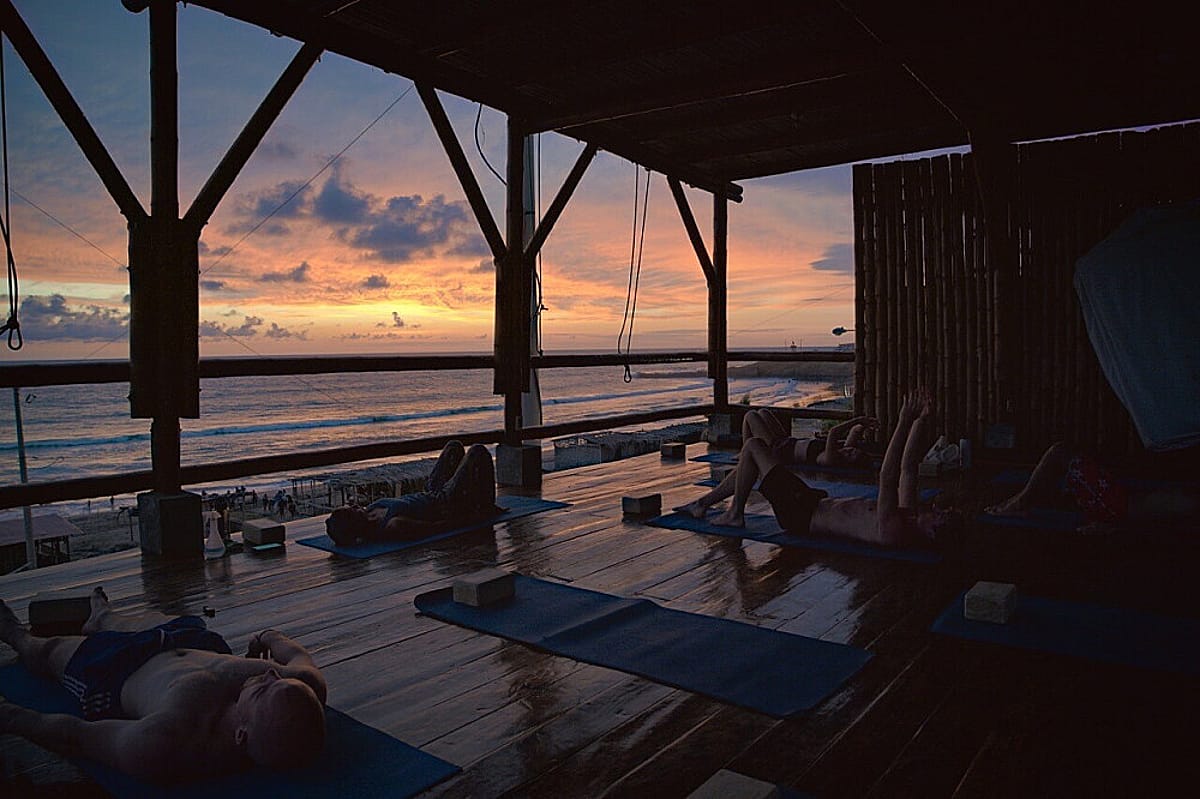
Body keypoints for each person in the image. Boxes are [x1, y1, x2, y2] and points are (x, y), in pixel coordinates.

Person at [0, 588, 327, 783]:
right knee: (150, 619)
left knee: (46, 651)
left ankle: (13, 633)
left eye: (262, 689)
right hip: (195, 642)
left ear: (241, 733)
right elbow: (299, 658)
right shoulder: (298, 689)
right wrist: (269, 637)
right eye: (278, 678)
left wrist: (10, 715)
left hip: (117, 668)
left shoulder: (165, 741)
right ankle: (103, 619)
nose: (271, 675)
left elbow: (77, 736)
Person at [678, 390, 957, 548]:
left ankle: (734, 514)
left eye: (940, 516)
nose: (936, 509)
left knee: (752, 446)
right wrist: (920, 421)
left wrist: (903, 420)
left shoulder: (895, 530)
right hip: (809, 500)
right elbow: (908, 470)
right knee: (751, 459)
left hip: (799, 513)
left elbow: (888, 476)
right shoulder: (908, 514)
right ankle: (703, 504)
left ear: (932, 532)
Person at [985, 442, 1199, 532]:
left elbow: (1164, 520)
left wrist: (1112, 525)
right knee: (1062, 452)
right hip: (1118, 504)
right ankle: (1020, 501)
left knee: (1059, 451)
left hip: (1115, 506)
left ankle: (1019, 503)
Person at [326, 440, 500, 545]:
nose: (355, 505)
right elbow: (437, 527)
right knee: (477, 451)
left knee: (453, 447)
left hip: (430, 491)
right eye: (352, 510)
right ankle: (487, 504)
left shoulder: (370, 510)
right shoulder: (392, 525)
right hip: (444, 502)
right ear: (356, 523)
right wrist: (474, 518)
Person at [739, 408, 878, 470]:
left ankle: (745, 455)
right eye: (853, 450)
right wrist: (866, 424)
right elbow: (855, 431)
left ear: (847, 463)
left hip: (778, 450)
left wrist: (857, 420)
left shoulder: (831, 459)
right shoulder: (843, 450)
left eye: (851, 455)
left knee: (750, 416)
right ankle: (746, 453)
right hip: (786, 440)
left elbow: (833, 432)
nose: (849, 451)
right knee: (764, 412)